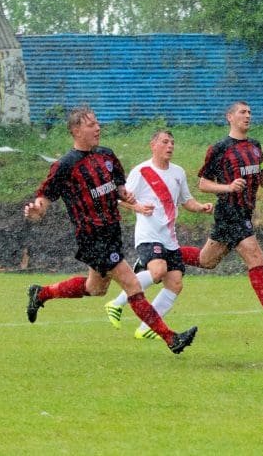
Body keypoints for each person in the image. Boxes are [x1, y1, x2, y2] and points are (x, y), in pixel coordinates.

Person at [23, 106, 198, 354]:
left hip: (111, 232)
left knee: (96, 288)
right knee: (132, 285)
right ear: (75, 131)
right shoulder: (66, 165)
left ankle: (41, 293)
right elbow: (45, 196)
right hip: (92, 237)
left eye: (97, 123)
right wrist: (38, 210)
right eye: (91, 124)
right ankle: (172, 339)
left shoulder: (106, 156)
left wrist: (127, 196)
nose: (97, 127)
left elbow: (119, 188)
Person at [178, 101, 263, 335]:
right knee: (256, 259)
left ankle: (161, 254)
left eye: (249, 113)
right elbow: (203, 184)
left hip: (244, 213)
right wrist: (228, 187)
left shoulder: (255, 147)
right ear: (230, 117)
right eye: (242, 112)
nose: (247, 116)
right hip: (229, 213)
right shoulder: (220, 148)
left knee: (207, 260)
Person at [103, 129, 213, 340]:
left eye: (172, 142)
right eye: (165, 142)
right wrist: (138, 208)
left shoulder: (178, 172)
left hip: (169, 238)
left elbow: (186, 200)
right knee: (157, 271)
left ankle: (145, 328)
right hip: (148, 234)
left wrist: (201, 207)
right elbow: (118, 198)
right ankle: (116, 303)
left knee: (175, 283)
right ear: (153, 145)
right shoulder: (141, 171)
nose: (170, 146)